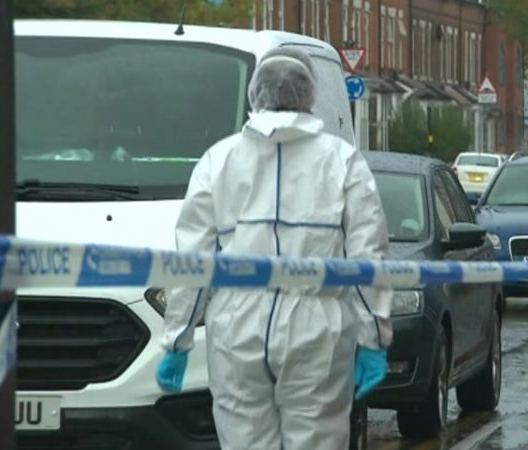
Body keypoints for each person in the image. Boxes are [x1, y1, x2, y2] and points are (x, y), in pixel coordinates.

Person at [155, 47, 393, 450]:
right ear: (312, 92)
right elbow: (367, 257)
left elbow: (193, 262)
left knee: (244, 441)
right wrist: (374, 337)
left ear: (254, 92)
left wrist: (177, 338)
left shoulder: (219, 160)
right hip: (318, 328)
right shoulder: (343, 161)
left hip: (236, 326)